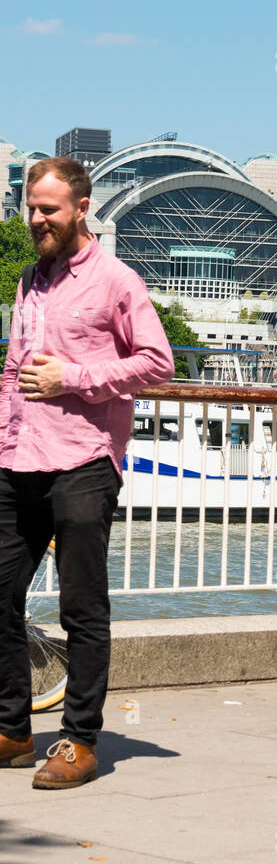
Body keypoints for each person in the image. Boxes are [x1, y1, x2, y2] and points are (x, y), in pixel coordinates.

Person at [0, 157, 175, 788]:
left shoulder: (116, 280)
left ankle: (79, 740)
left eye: (49, 208)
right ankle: (14, 730)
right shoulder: (29, 280)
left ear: (81, 207)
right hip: (17, 457)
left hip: (82, 459)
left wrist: (72, 378)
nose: (38, 218)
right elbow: (18, 368)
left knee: (81, 608)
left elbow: (158, 362)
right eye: (31, 207)